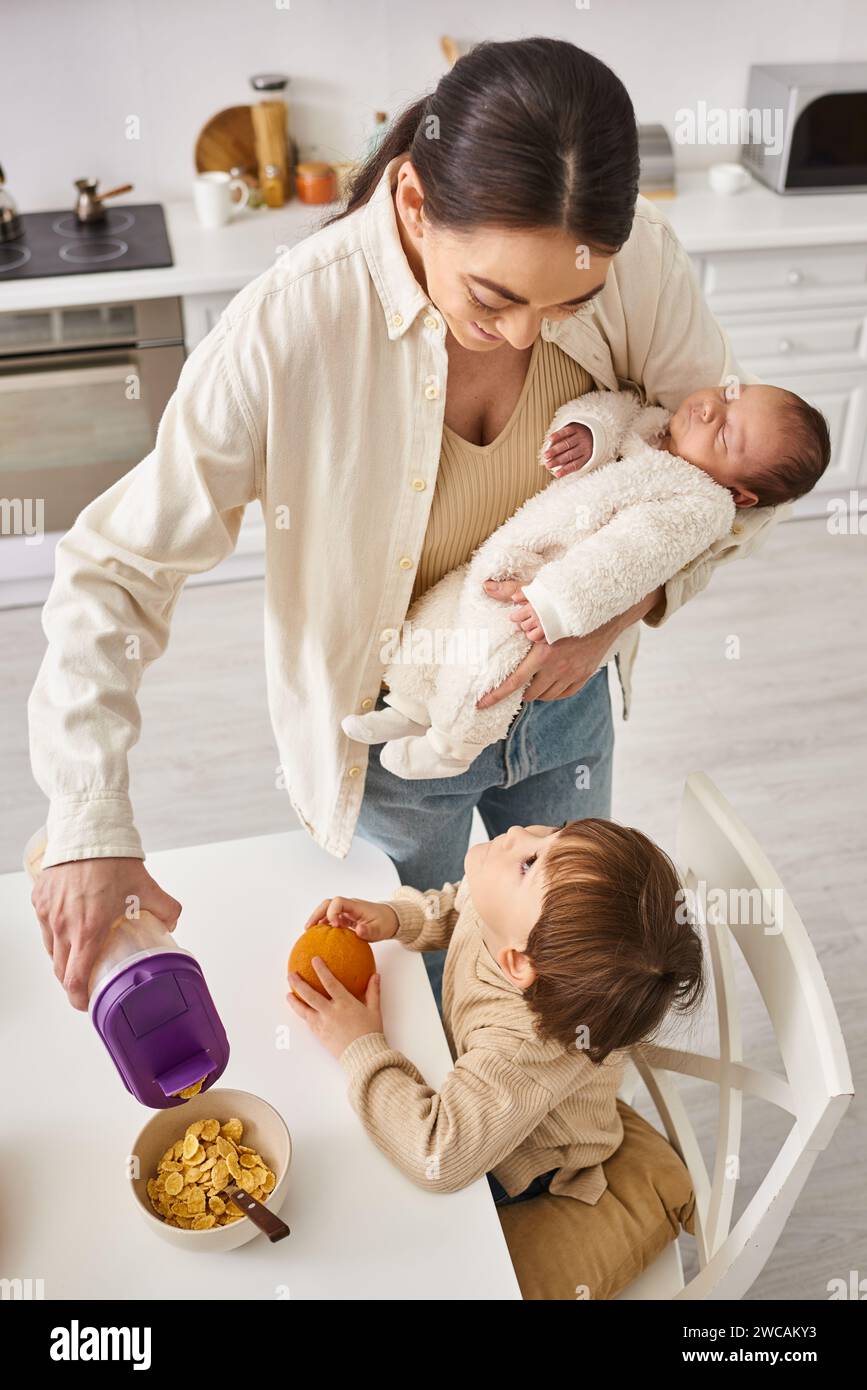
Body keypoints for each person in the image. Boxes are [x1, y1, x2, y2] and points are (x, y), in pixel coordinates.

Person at [28, 38, 786, 1011]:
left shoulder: (636, 261)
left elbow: (736, 477)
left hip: (570, 705)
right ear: (417, 207)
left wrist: (624, 605)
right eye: (495, 297)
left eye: (570, 302)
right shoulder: (291, 326)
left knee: (550, 980)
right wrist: (91, 817)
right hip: (398, 739)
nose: (526, 334)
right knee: (417, 988)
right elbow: (112, 570)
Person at [342, 382, 829, 781]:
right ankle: (408, 704)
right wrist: (589, 431)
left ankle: (452, 746)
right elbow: (616, 405)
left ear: (742, 495)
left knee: (489, 667)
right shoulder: (655, 425)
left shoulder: (699, 505)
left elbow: (624, 560)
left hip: (546, 595)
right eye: (726, 395)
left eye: (724, 435)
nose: (708, 411)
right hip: (513, 553)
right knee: (440, 616)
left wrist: (556, 604)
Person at [286, 818, 705, 1206]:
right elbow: (464, 905)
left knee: (370, 1191)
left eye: (528, 863)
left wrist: (360, 1046)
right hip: (473, 1068)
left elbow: (438, 1155)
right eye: (555, 831)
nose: (519, 831)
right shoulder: (517, 926)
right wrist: (399, 918)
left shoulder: (524, 1049)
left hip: (526, 1154)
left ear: (518, 964)